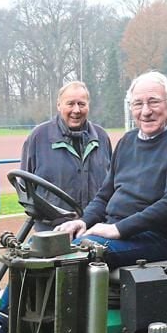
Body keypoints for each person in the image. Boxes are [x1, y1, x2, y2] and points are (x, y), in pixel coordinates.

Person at [55, 71, 167, 269]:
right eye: (138, 104)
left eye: (153, 102)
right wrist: (84, 221)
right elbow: (104, 196)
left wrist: (118, 229)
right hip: (117, 233)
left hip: (158, 238)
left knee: (73, 256)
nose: (145, 111)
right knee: (40, 246)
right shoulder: (127, 141)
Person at [20, 81, 113, 230]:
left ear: (88, 106)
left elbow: (110, 183)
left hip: (94, 227)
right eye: (70, 104)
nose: (76, 110)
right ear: (59, 105)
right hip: (52, 229)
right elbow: (24, 184)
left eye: (81, 104)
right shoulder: (39, 137)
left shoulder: (101, 137)